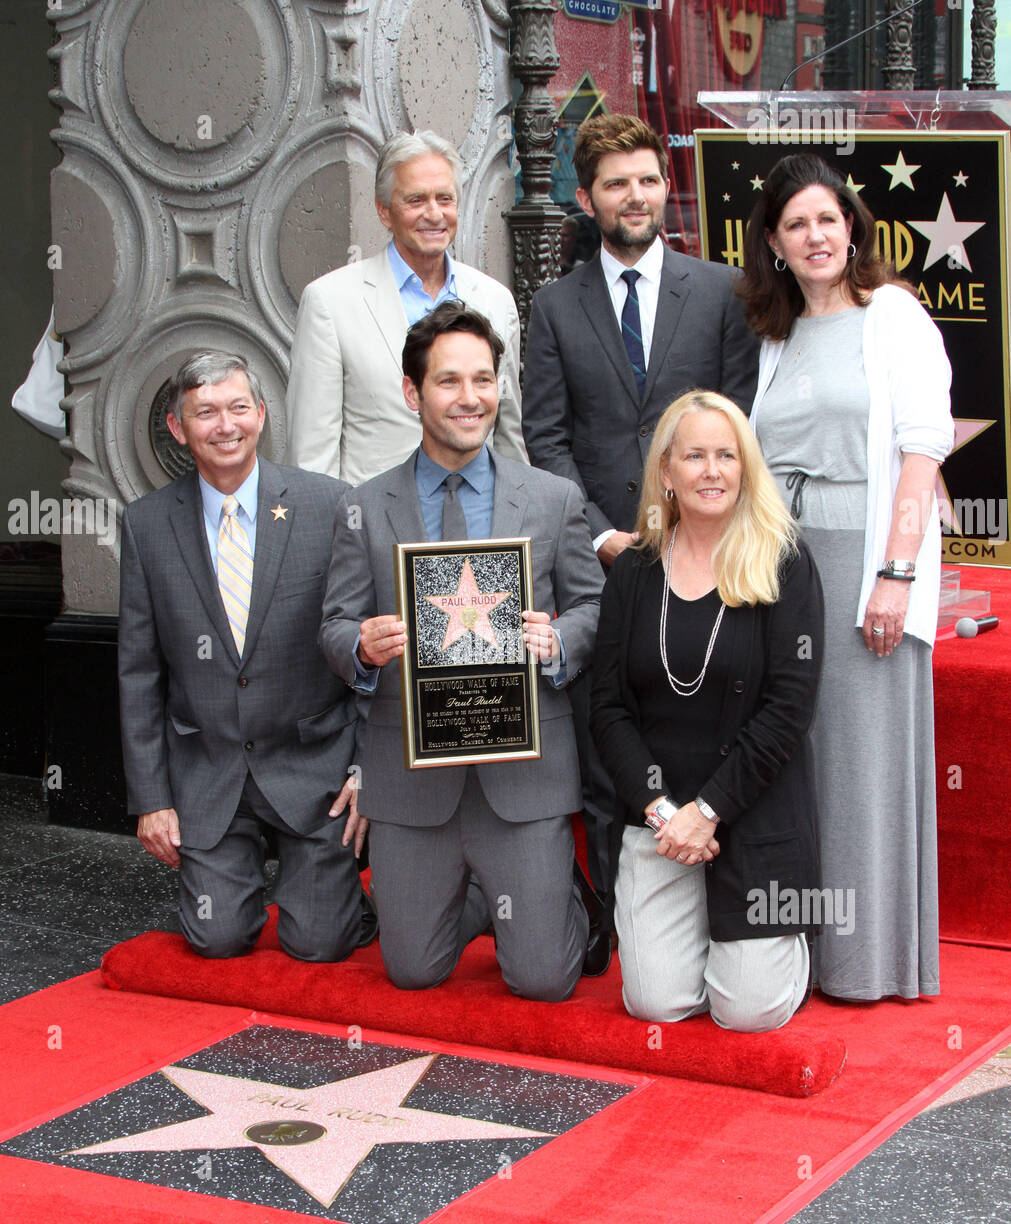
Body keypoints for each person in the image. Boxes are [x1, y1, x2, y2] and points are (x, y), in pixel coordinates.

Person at [320, 302, 603, 1001]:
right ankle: (479, 898)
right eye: (449, 382)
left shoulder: (553, 498)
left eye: (483, 379)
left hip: (523, 770)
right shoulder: (363, 504)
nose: (469, 398)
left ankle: (555, 900)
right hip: (413, 776)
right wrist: (360, 645)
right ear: (413, 394)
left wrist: (558, 640)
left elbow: (597, 607)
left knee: (542, 982)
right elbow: (331, 627)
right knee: (414, 971)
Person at [522, 112, 759, 901]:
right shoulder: (555, 307)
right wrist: (598, 537)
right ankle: (611, 917)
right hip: (602, 559)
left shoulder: (722, 291)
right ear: (586, 199)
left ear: (666, 188)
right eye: (616, 184)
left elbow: (735, 427)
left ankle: (711, 889)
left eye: (648, 180)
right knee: (606, 730)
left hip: (704, 551)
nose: (635, 196)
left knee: (700, 713)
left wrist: (695, 523)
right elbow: (546, 436)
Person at [741, 152, 954, 1001]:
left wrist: (893, 576)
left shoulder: (891, 315)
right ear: (773, 243)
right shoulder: (775, 333)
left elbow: (920, 451)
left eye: (827, 218)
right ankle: (805, 953)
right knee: (803, 757)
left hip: (863, 558)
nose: (814, 235)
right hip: (785, 567)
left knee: (860, 766)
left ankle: (864, 964)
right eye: (795, 224)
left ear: (852, 226)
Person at [118, 351, 369, 961]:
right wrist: (151, 800)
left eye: (237, 407)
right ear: (180, 428)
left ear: (261, 414)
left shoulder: (330, 506)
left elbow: (364, 650)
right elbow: (139, 672)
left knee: (321, 943)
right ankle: (238, 886)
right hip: (210, 771)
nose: (224, 425)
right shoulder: (147, 524)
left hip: (316, 770)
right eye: (205, 412)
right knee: (217, 937)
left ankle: (359, 894)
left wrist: (368, 768)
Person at [590, 391, 823, 1032]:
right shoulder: (634, 572)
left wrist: (709, 811)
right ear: (667, 471)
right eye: (695, 455)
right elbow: (607, 707)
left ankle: (788, 947)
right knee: (655, 1004)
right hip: (660, 821)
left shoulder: (784, 562)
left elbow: (788, 711)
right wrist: (667, 813)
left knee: (748, 1012)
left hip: (753, 813)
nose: (712, 470)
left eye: (727, 455)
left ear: (746, 468)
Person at [286, 130, 526, 483]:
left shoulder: (495, 300)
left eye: (445, 198)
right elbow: (312, 456)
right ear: (384, 211)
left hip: (479, 528)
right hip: (374, 526)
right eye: (416, 200)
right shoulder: (330, 302)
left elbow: (509, 439)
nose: (434, 214)